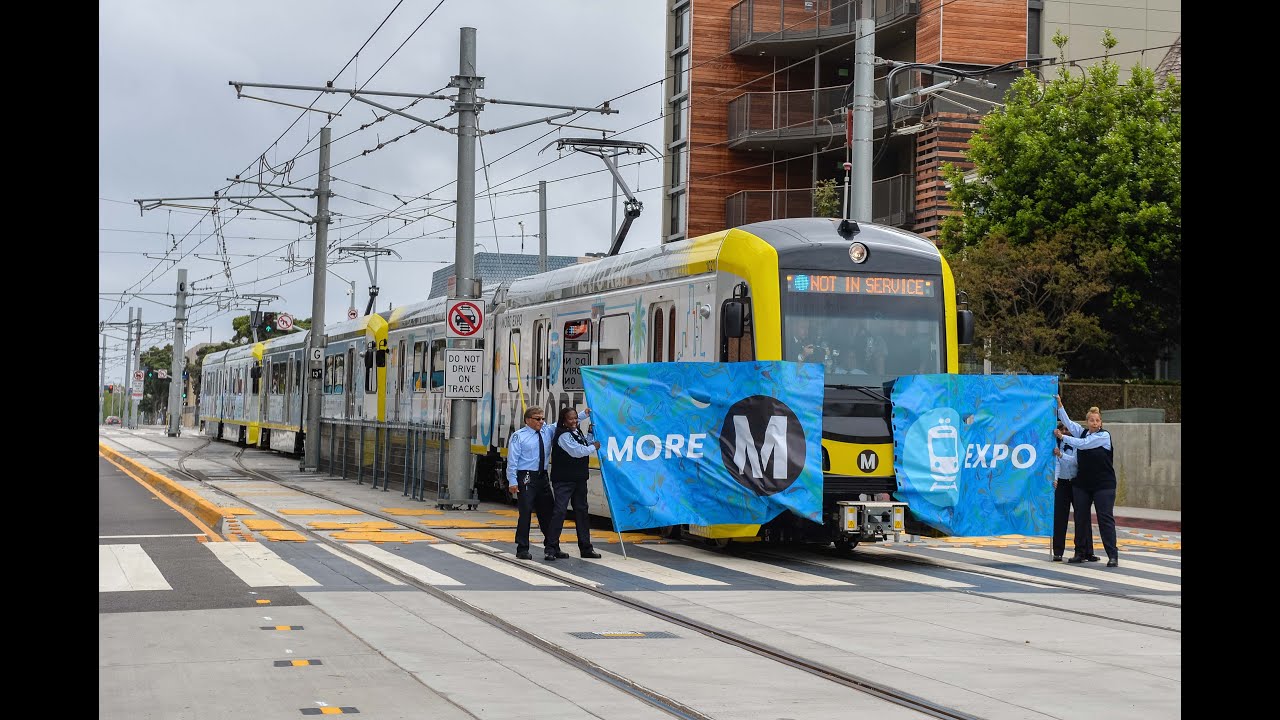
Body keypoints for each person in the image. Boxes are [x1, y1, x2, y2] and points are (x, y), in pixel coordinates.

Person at [1054, 396, 1119, 567]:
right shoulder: (1082, 432)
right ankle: (1080, 552)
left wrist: (1063, 437)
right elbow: (1068, 422)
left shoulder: (1104, 436)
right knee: (1080, 518)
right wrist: (1060, 404)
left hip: (1103, 484)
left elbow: (1083, 444)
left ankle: (1112, 554)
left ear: (1101, 422)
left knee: (1104, 518)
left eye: (1097, 420)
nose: (1094, 423)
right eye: (1091, 420)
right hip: (1083, 484)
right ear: (1087, 421)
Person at [546, 406, 603, 559]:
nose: (574, 421)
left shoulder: (576, 432)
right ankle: (551, 548)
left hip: (579, 479)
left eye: (575, 418)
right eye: (570, 419)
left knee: (582, 512)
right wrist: (594, 446)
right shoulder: (563, 435)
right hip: (564, 480)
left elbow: (583, 446)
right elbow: (577, 451)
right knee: (560, 512)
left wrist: (590, 434)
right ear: (564, 421)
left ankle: (585, 547)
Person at [507, 406, 559, 561]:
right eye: (538, 419)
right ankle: (522, 548)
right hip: (527, 475)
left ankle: (552, 546)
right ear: (528, 420)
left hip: (542, 476)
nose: (541, 422)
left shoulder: (546, 431)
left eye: (543, 418)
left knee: (548, 512)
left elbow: (561, 422)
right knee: (526, 512)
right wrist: (512, 480)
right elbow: (512, 460)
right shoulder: (519, 436)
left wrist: (584, 414)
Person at [1050, 420, 1078, 561]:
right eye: (1063, 429)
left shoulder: (1077, 443)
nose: (1065, 431)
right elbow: (1055, 464)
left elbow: (1075, 461)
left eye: (1067, 429)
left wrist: (1061, 455)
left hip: (1076, 483)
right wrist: (1054, 479)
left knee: (1080, 518)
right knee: (1060, 518)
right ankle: (1058, 551)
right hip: (1062, 483)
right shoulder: (1055, 444)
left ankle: (1081, 550)